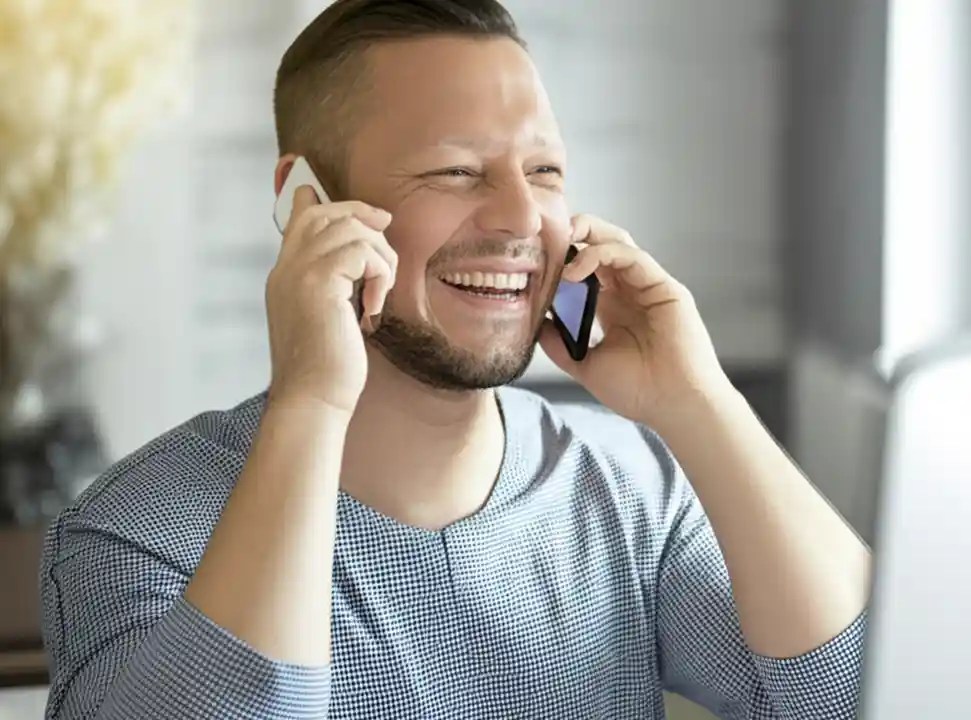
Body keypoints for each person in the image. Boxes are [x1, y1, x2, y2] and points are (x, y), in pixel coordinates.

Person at [39, 1, 871, 718]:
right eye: (457, 170)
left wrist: (700, 402)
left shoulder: (627, 487)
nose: (522, 218)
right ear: (307, 203)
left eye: (544, 171)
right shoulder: (137, 532)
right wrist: (310, 404)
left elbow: (863, 699)